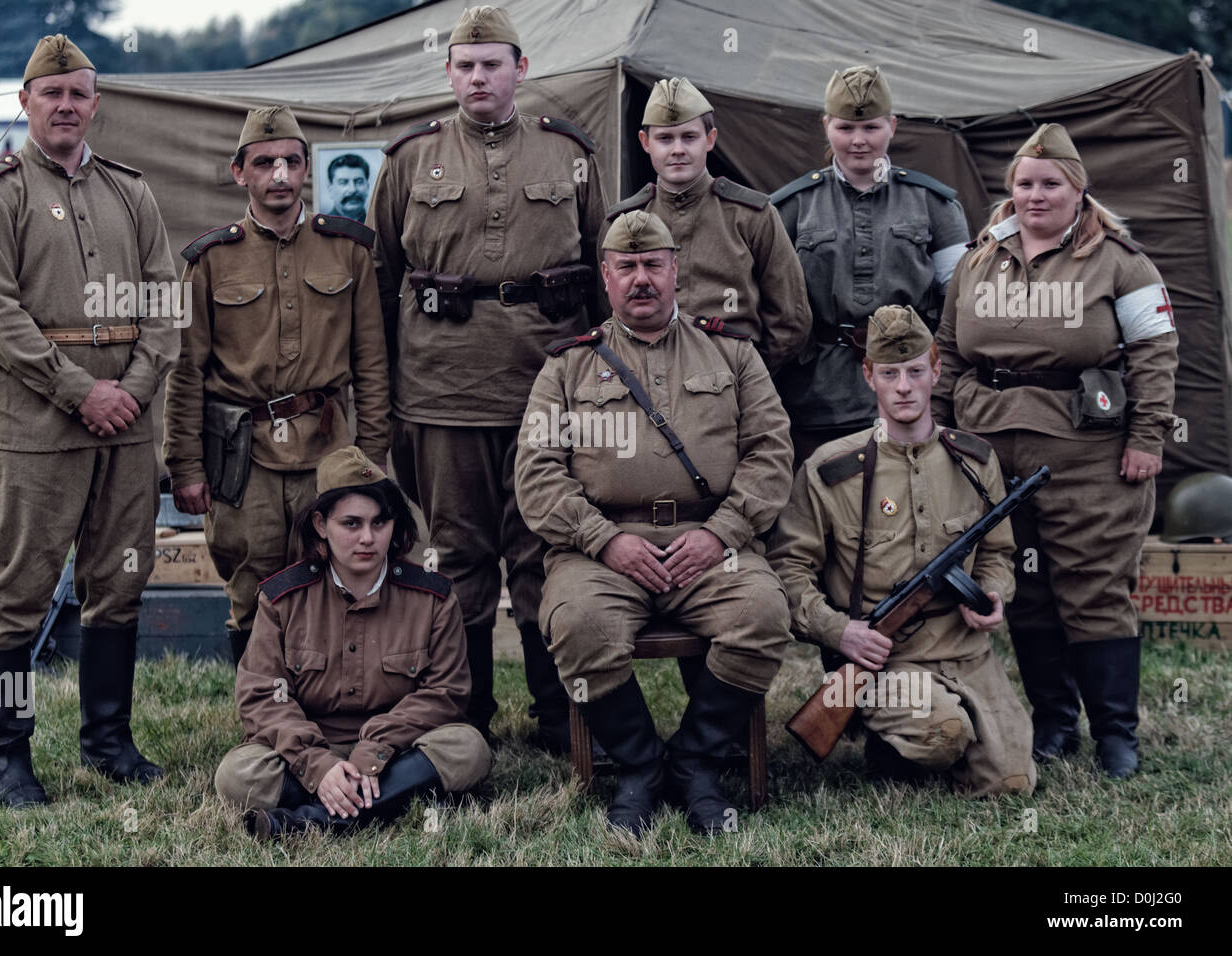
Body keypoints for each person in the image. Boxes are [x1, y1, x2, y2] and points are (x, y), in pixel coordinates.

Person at [368, 4, 609, 752]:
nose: (479, 77)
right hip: (442, 389)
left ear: (520, 71)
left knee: (542, 550)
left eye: (493, 64)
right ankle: (467, 712)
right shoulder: (411, 157)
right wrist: (383, 395)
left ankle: (552, 714)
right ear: (449, 74)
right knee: (460, 553)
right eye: (466, 66)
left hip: (547, 386)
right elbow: (382, 279)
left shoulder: (568, 153)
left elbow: (603, 268)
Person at [515, 211, 794, 834]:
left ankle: (695, 762)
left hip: (711, 541)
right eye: (627, 268)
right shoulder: (566, 368)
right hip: (600, 551)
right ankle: (640, 765)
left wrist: (721, 533)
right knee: (577, 623)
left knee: (764, 613)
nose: (641, 280)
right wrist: (604, 540)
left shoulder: (733, 353)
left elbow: (772, 453)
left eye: (653, 266)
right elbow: (536, 475)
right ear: (606, 279)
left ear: (676, 271)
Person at [0, 34, 178, 806]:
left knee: (119, 582)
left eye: (79, 93)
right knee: (16, 591)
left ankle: (108, 742)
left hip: (129, 423)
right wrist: (81, 389)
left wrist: (139, 385)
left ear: (96, 102)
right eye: (51, 94)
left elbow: (163, 300)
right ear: (24, 102)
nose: (66, 106)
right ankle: (8, 760)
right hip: (37, 425)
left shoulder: (131, 191)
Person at [933, 123, 1179, 779]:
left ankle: (1116, 737)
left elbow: (1156, 355)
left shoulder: (1122, 261)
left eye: (1050, 184)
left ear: (1078, 189)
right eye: (1024, 183)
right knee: (1029, 589)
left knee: (1093, 590)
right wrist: (937, 432)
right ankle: (1054, 724)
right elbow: (950, 353)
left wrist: (1148, 436)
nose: (1035, 195)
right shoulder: (977, 259)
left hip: (1088, 453)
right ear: (1009, 190)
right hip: (989, 453)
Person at [768, 305, 1035, 796]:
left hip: (966, 651)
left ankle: (918, 740)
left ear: (936, 370)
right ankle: (898, 735)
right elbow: (787, 570)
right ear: (869, 376)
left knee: (1013, 783)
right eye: (890, 374)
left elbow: (998, 553)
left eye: (915, 371)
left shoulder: (975, 460)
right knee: (945, 734)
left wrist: (994, 594)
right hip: (885, 658)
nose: (905, 387)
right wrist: (840, 632)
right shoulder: (830, 470)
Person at [164, 106, 390, 666]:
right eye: (265, 163)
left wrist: (375, 457)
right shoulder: (210, 260)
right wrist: (185, 467)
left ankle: (337, 704)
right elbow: (186, 370)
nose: (280, 175)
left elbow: (372, 365)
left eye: (291, 161)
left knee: (340, 573)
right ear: (240, 172)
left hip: (330, 445)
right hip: (245, 450)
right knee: (253, 579)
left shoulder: (348, 249)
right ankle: (261, 714)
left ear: (307, 168)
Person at [216, 447, 491, 838]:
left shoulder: (433, 597)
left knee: (468, 749)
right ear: (320, 524)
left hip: (400, 750)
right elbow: (262, 697)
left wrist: (375, 751)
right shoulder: (282, 599)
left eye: (380, 522)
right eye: (351, 523)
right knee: (237, 775)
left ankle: (311, 822)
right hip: (307, 750)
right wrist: (318, 764)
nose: (368, 538)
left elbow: (445, 694)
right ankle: (383, 802)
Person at [771, 65, 970, 467]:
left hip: (909, 387)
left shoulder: (933, 203)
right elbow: (774, 304)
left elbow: (960, 304)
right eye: (845, 128)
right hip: (819, 392)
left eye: (871, 128)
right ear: (826, 127)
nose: (858, 141)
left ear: (892, 126)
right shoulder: (792, 206)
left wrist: (940, 382)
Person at [603, 77, 810, 375]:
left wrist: (749, 376)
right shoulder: (621, 222)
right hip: (648, 382)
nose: (677, 149)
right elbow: (608, 307)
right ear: (645, 143)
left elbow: (791, 318)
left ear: (710, 139)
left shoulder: (751, 215)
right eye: (665, 138)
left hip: (733, 378)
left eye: (689, 137)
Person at [325, 152, 370, 222]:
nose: (352, 190)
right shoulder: (319, 229)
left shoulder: (379, 225)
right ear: (330, 190)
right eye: (343, 182)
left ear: (367, 187)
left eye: (359, 182)